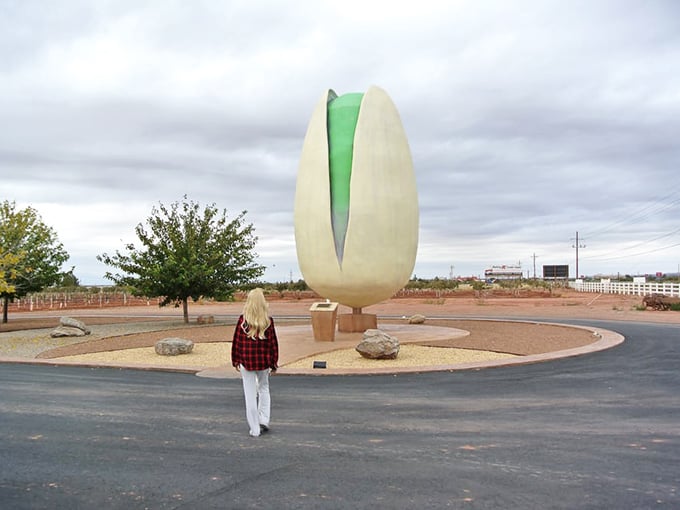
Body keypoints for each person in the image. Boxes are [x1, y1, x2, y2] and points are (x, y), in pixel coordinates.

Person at [231, 288, 279, 437]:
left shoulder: (243, 321)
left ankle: (255, 429)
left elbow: (236, 342)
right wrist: (273, 362)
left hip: (247, 362)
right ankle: (263, 419)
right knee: (264, 389)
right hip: (263, 363)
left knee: (250, 394)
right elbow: (273, 344)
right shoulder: (268, 322)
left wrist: (236, 360)